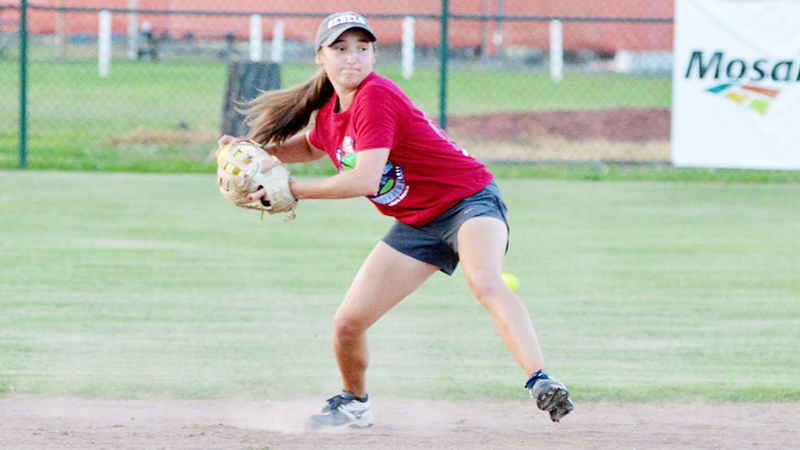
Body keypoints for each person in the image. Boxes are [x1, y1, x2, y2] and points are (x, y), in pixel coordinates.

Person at [216, 11, 573, 429]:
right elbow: (314, 146)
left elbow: (364, 179)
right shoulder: (331, 113)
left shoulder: (376, 96)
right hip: (417, 223)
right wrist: (255, 150)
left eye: (362, 48)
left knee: (484, 280)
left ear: (373, 55)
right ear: (320, 57)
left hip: (468, 202)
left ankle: (541, 380)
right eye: (340, 48)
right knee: (348, 324)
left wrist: (293, 189)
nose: (352, 57)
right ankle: (355, 404)